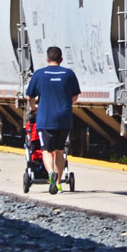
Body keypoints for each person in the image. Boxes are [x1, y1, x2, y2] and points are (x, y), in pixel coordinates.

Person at [25, 46, 81, 194]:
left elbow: (29, 96)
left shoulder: (39, 74)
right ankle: (59, 184)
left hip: (45, 118)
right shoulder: (68, 74)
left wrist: (33, 108)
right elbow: (75, 97)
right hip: (64, 118)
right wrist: (65, 103)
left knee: (46, 151)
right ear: (61, 59)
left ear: (47, 59)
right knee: (60, 151)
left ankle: (51, 174)